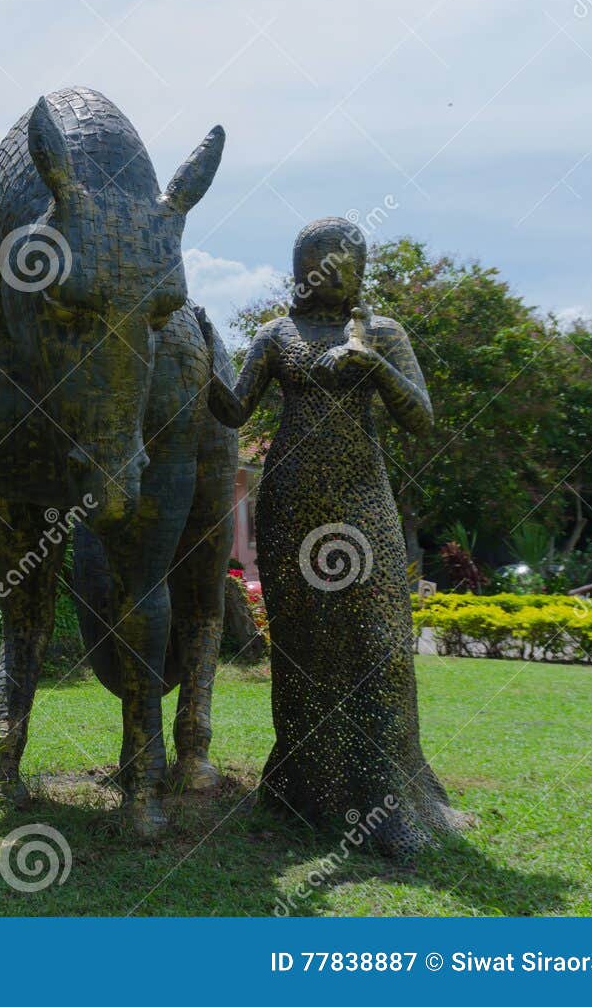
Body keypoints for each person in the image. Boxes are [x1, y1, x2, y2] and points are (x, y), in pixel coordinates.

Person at [199, 217, 469, 856]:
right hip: (291, 502)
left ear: (360, 267)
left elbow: (421, 419)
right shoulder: (275, 335)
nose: (329, 270)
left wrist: (373, 364)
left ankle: (390, 797)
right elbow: (233, 411)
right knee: (303, 643)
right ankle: (307, 787)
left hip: (362, 502)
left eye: (342, 259)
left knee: (377, 641)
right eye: (316, 259)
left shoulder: (382, 332)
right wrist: (204, 354)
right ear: (299, 270)